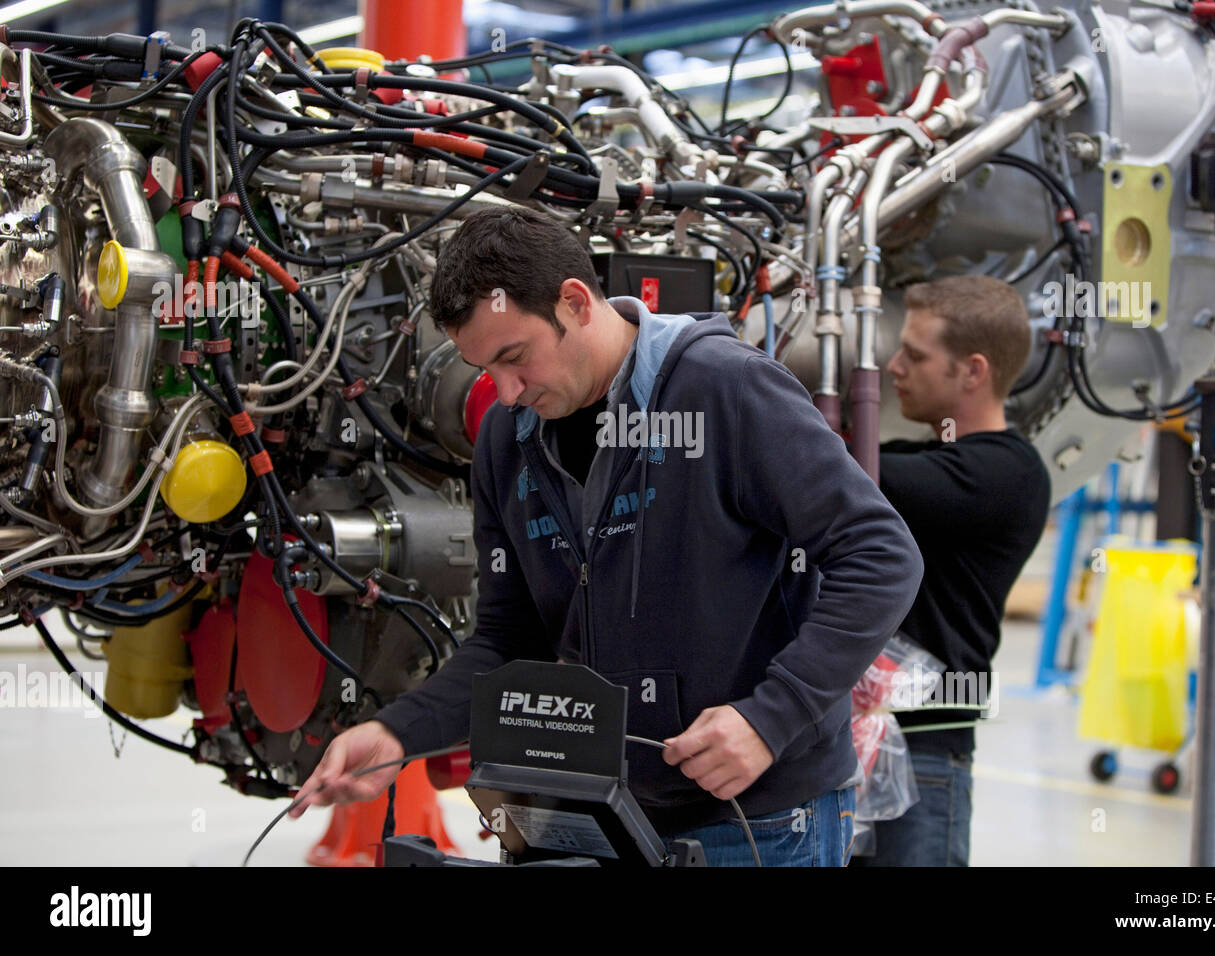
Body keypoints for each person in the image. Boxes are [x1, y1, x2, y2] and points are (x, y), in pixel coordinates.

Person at [290, 205, 924, 867]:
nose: (505, 394)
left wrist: (772, 715)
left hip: (756, 821)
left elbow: (880, 555)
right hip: (598, 815)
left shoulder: (723, 390)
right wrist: (397, 733)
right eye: (486, 371)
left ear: (573, 302)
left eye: (514, 358)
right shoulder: (508, 444)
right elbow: (509, 642)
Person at [852, 275, 1051, 867]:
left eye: (915, 355)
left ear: (974, 371)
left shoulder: (1005, 474)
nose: (893, 367)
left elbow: (842, 467)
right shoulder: (926, 458)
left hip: (925, 757)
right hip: (858, 750)